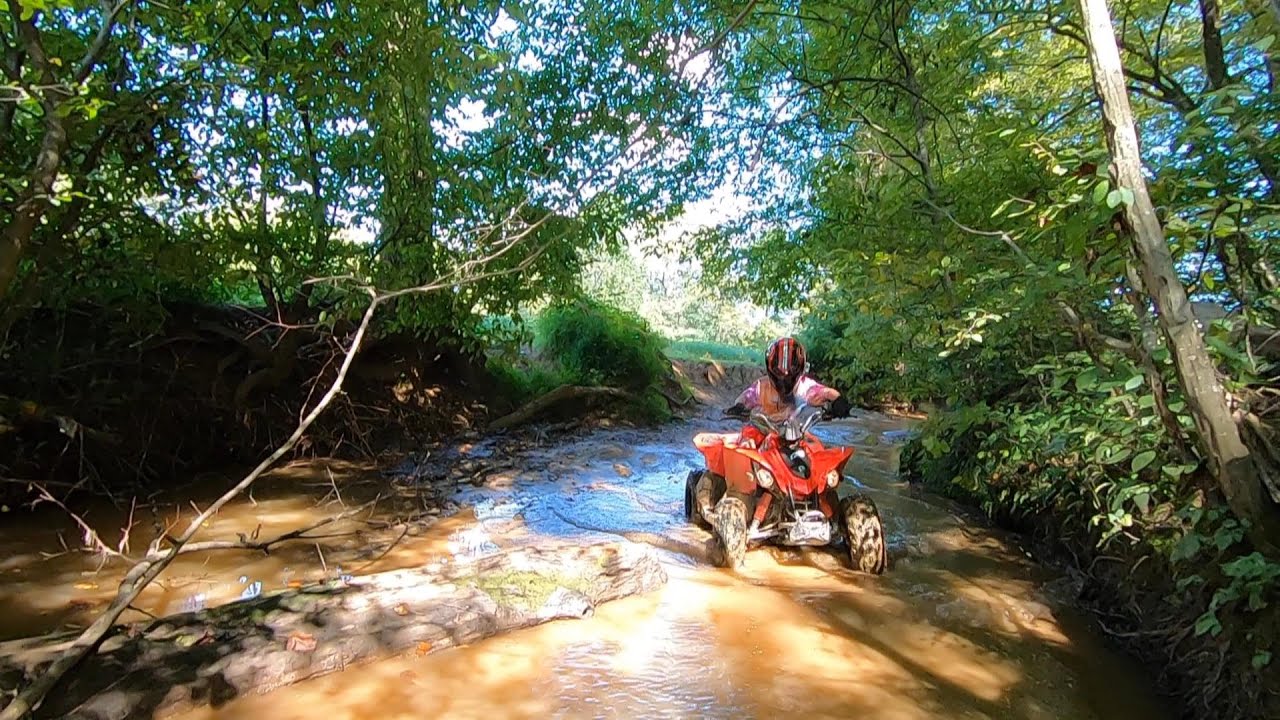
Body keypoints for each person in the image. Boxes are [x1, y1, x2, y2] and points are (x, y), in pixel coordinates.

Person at [727, 337, 840, 446]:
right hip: (763, 431)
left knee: (815, 445)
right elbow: (746, 397)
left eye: (790, 375)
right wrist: (739, 406)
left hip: (796, 434)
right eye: (779, 374)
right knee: (747, 438)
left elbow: (825, 392)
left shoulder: (805, 386)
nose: (784, 379)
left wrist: (838, 401)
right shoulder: (762, 386)